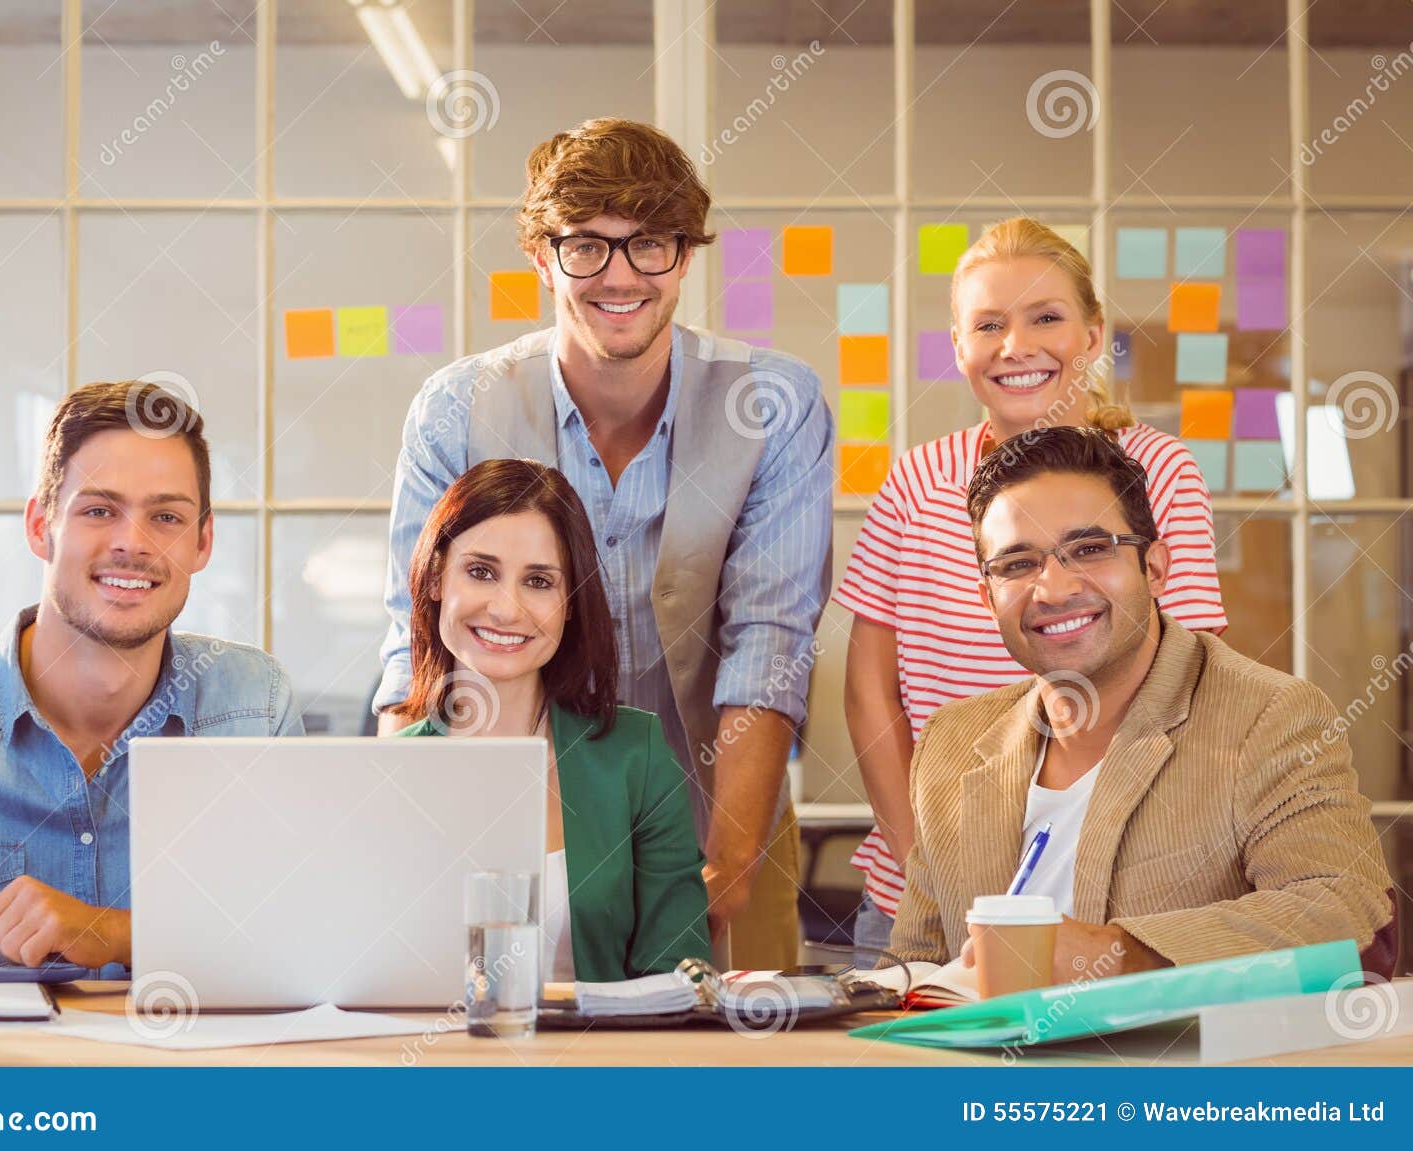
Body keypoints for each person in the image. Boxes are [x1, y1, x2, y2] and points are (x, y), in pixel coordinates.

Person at [376, 118, 833, 969]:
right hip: (513, 820)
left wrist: (725, 871)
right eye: (586, 245)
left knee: (739, 1071)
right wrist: (400, 832)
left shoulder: (774, 404)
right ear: (541, 258)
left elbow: (769, 642)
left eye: (649, 244)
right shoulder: (457, 407)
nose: (619, 276)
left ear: (686, 257)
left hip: (721, 809)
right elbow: (415, 636)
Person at [836, 217, 1226, 966]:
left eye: (1046, 317)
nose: (1017, 346)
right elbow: (868, 693)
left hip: (1110, 909)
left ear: (1091, 334)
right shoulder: (916, 482)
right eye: (989, 325)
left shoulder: (1158, 471)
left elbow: (1194, 688)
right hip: (919, 902)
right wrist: (939, 871)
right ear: (958, 347)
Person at [0, 381, 303, 975]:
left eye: (166, 516)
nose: (133, 542)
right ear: (40, 526)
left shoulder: (255, 706)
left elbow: (303, 934)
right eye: (99, 510)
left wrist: (118, 933)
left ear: (202, 542)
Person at [889, 426, 1395, 978]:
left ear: (1154, 569)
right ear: (988, 598)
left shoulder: (1270, 716)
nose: (1054, 590)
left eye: (1088, 549)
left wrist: (1114, 953)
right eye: (1017, 564)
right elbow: (914, 965)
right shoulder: (951, 740)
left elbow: (1342, 906)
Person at [390, 458, 709, 983]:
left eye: (538, 581)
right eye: (481, 572)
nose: (506, 609)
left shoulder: (636, 755)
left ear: (570, 605)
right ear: (435, 579)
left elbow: (676, 977)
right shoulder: (385, 772)